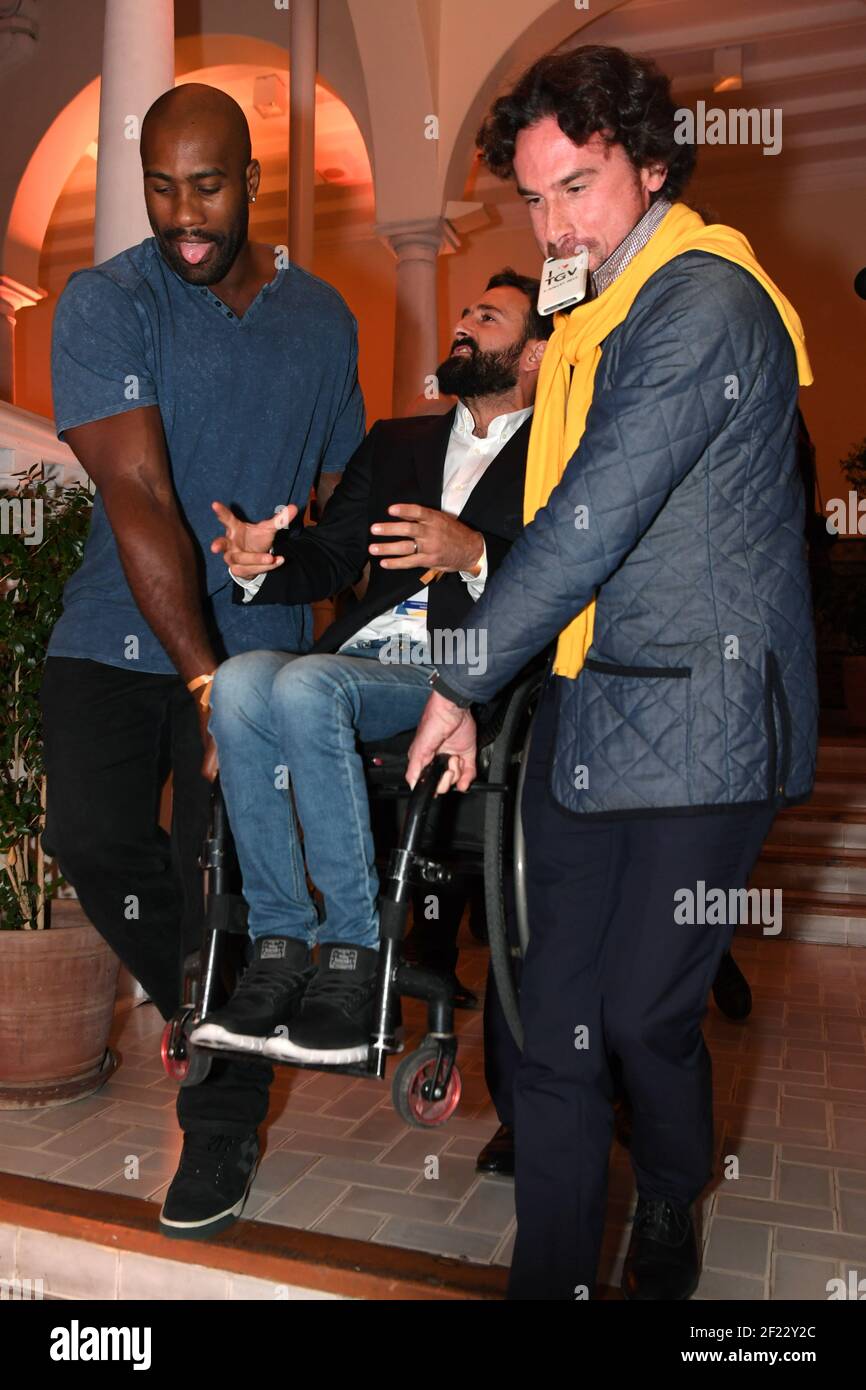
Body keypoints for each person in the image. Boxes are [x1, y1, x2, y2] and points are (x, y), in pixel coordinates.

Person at [406, 44, 817, 1300]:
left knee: (640, 1015)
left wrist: (461, 680)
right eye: (530, 200)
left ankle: (673, 1192)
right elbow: (552, 530)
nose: (550, 227)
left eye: (575, 188)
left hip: (702, 724)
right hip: (586, 715)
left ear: (650, 164)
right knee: (542, 1024)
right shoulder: (590, 321)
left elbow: (589, 523)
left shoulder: (701, 305)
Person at [40, 84, 363, 1236]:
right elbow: (137, 494)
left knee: (217, 878)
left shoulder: (322, 319)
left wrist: (309, 596)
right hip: (118, 632)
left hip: (263, 650)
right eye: (161, 186)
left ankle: (219, 1130)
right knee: (87, 830)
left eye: (209, 186)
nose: (184, 213)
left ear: (254, 183)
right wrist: (201, 680)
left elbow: (336, 508)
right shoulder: (105, 300)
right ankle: (206, 1001)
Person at [189, 271, 550, 1091]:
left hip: (466, 672)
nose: (462, 323)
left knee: (307, 685)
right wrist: (261, 557)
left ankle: (355, 954)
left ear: (533, 354)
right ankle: (279, 947)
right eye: (463, 309)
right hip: (365, 660)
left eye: (485, 317)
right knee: (245, 680)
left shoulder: (561, 449)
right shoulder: (396, 443)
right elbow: (330, 555)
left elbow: (572, 576)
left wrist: (478, 555)